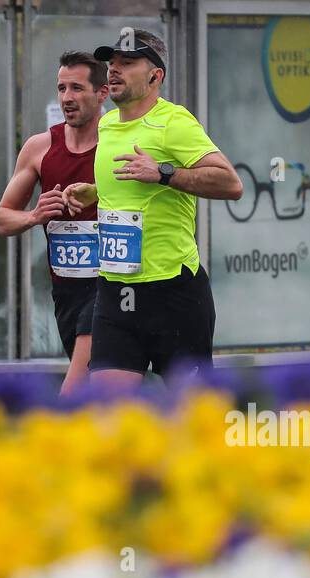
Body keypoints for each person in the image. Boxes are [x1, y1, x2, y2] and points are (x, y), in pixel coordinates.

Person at [61, 30, 242, 388]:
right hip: (115, 290)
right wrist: (95, 193)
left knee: (190, 419)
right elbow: (133, 188)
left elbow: (230, 183)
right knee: (107, 414)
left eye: (127, 63)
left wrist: (163, 172)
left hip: (172, 293)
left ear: (155, 76)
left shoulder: (175, 123)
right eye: (111, 63)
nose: (113, 70)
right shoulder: (108, 124)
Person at [0, 52, 107, 394]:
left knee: (72, 392)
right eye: (61, 88)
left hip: (111, 286)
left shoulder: (118, 144)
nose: (67, 98)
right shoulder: (40, 147)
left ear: (102, 93)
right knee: (100, 393)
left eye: (77, 88)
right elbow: (2, 218)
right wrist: (34, 216)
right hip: (66, 292)